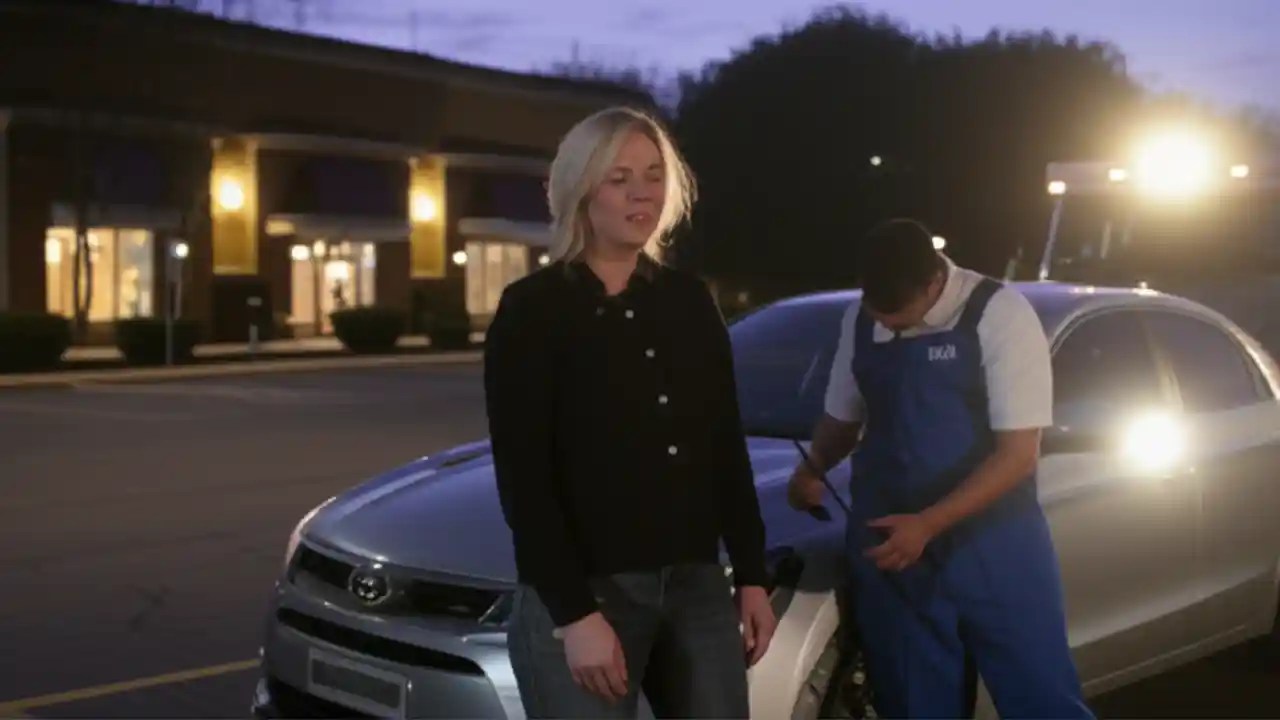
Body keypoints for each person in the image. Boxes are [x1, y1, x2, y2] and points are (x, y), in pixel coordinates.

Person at [484, 106, 776, 719]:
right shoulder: (533, 311)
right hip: (588, 592)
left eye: (653, 175)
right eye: (619, 178)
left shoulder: (689, 301)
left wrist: (752, 575)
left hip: (697, 584)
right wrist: (575, 616)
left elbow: (724, 446)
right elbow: (525, 479)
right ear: (581, 189)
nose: (642, 192)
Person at [787, 219, 1093, 719]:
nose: (891, 329)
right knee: (913, 702)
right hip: (894, 550)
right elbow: (843, 416)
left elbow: (1018, 454)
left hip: (994, 547)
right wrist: (813, 469)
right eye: (881, 316)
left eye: (900, 318)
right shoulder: (859, 320)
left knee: (1040, 697)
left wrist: (929, 524)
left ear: (934, 283)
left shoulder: (998, 313)